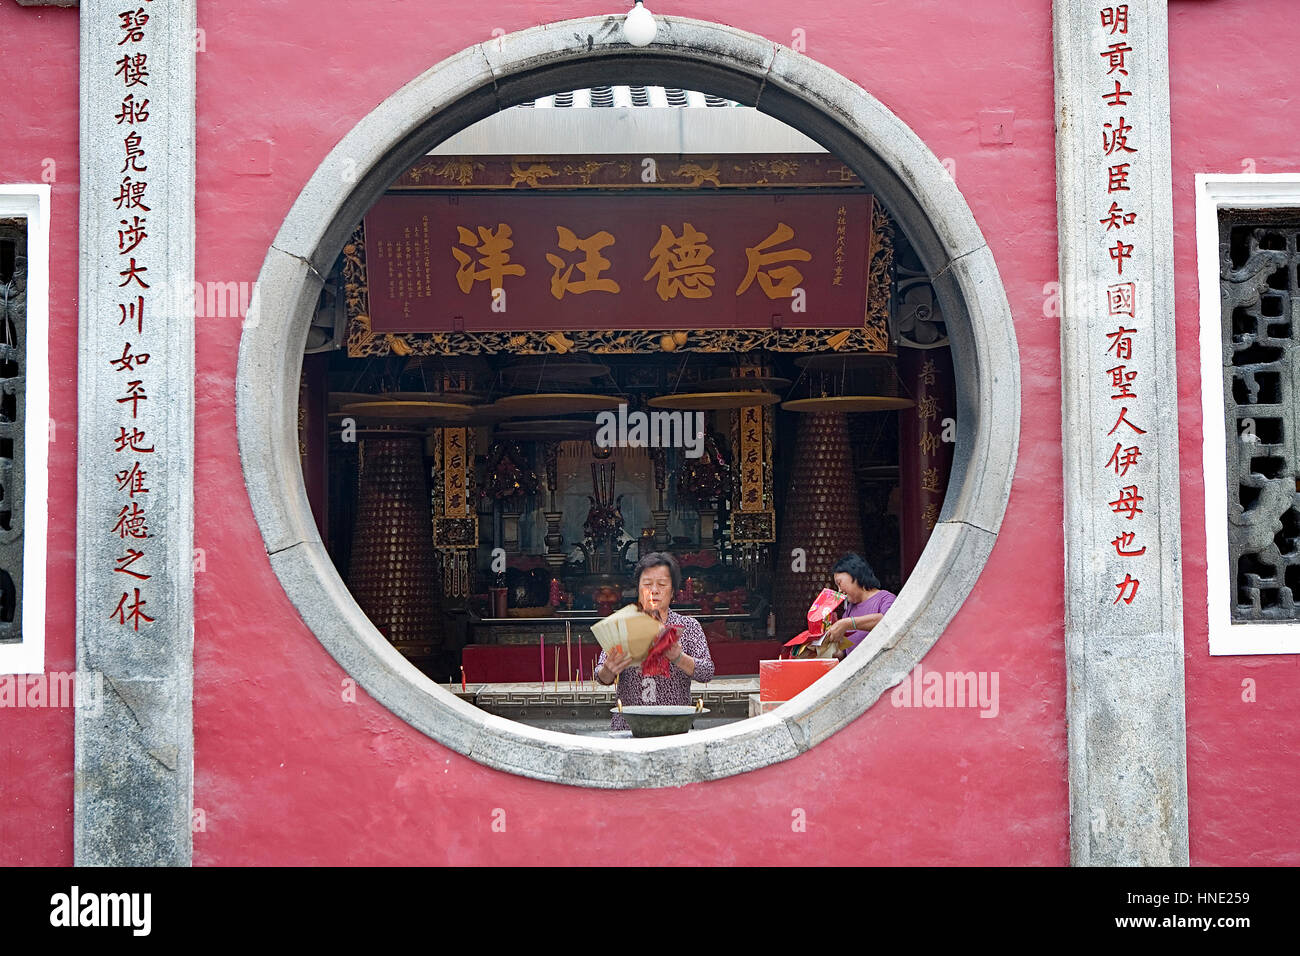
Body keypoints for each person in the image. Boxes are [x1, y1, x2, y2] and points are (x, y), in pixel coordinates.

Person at [593, 551, 715, 732]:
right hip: (629, 729)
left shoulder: (688, 626)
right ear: (638, 589)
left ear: (673, 590)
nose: (654, 590)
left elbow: (707, 672)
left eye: (662, 584)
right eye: (647, 584)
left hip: (675, 728)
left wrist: (679, 658)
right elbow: (602, 677)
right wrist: (608, 671)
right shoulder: (623, 625)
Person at [822, 553, 897, 657]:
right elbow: (844, 652)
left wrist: (848, 623)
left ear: (855, 575)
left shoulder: (885, 598)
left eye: (839, 583)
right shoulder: (849, 609)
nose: (839, 590)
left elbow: (889, 621)